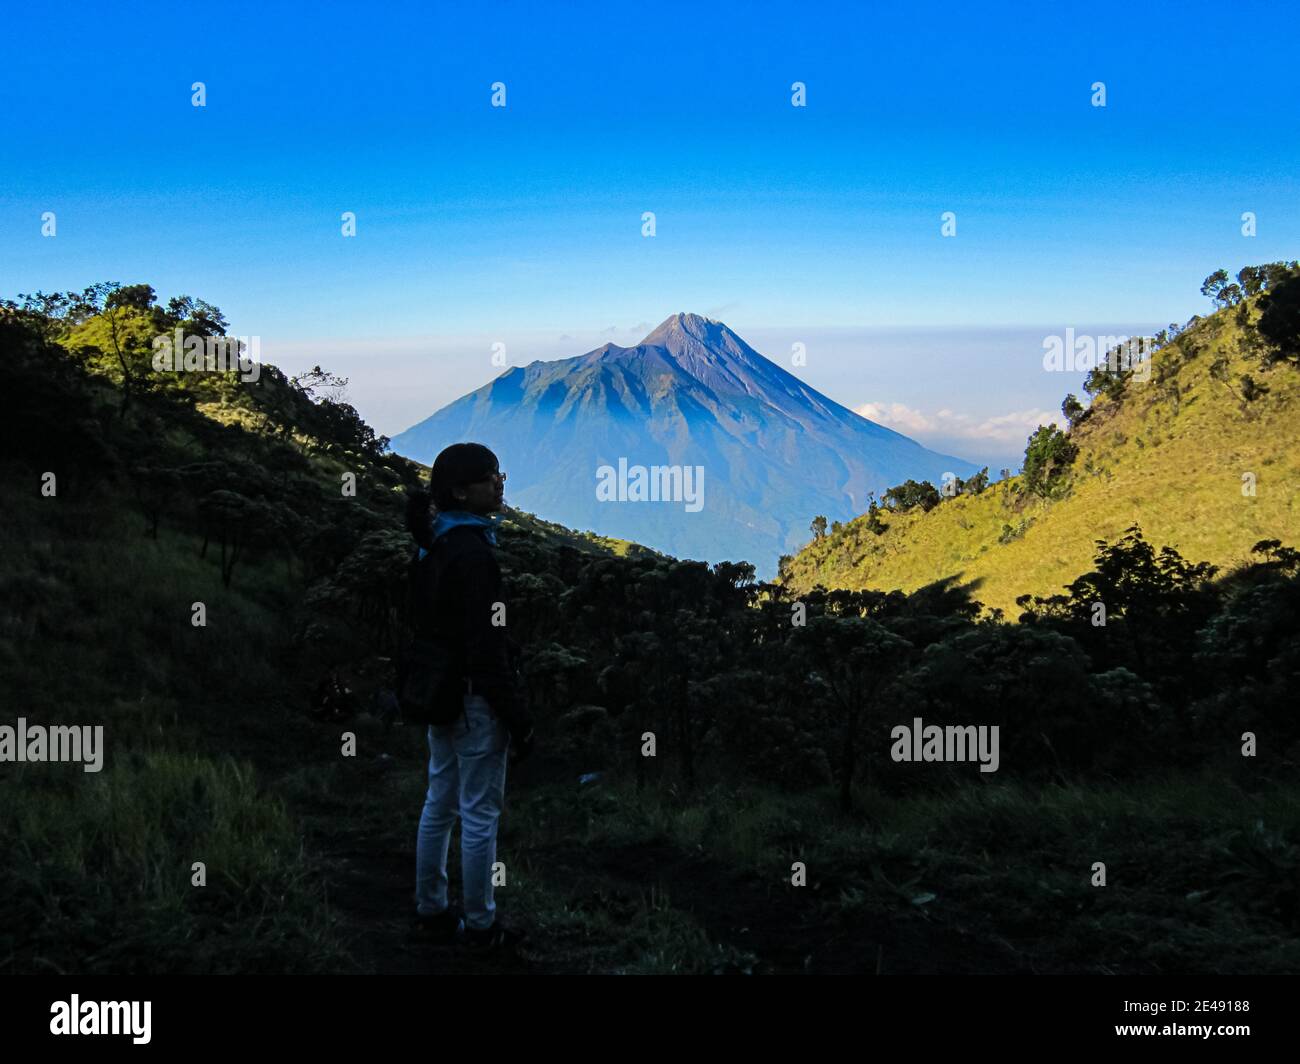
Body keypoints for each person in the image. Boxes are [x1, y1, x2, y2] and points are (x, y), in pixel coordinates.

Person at [406, 443, 535, 950]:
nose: (500, 484)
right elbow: (485, 645)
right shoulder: (475, 553)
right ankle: (482, 925)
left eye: (500, 474)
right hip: (475, 701)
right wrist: (517, 716)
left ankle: (432, 909)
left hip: (440, 696)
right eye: (490, 478)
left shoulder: (431, 543)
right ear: (463, 490)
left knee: (439, 802)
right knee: (480, 813)